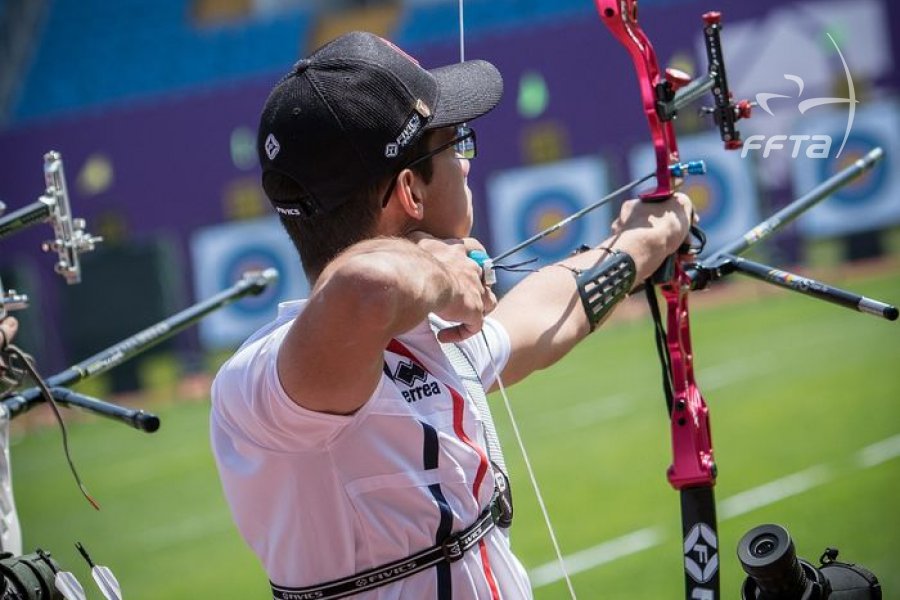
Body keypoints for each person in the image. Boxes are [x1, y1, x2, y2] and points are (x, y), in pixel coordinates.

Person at [210, 31, 693, 599]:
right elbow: (364, 288)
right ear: (410, 191)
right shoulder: (266, 387)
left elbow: (536, 323)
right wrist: (440, 271)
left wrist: (641, 243)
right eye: (454, 143)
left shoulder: (423, 337)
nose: (465, 165)